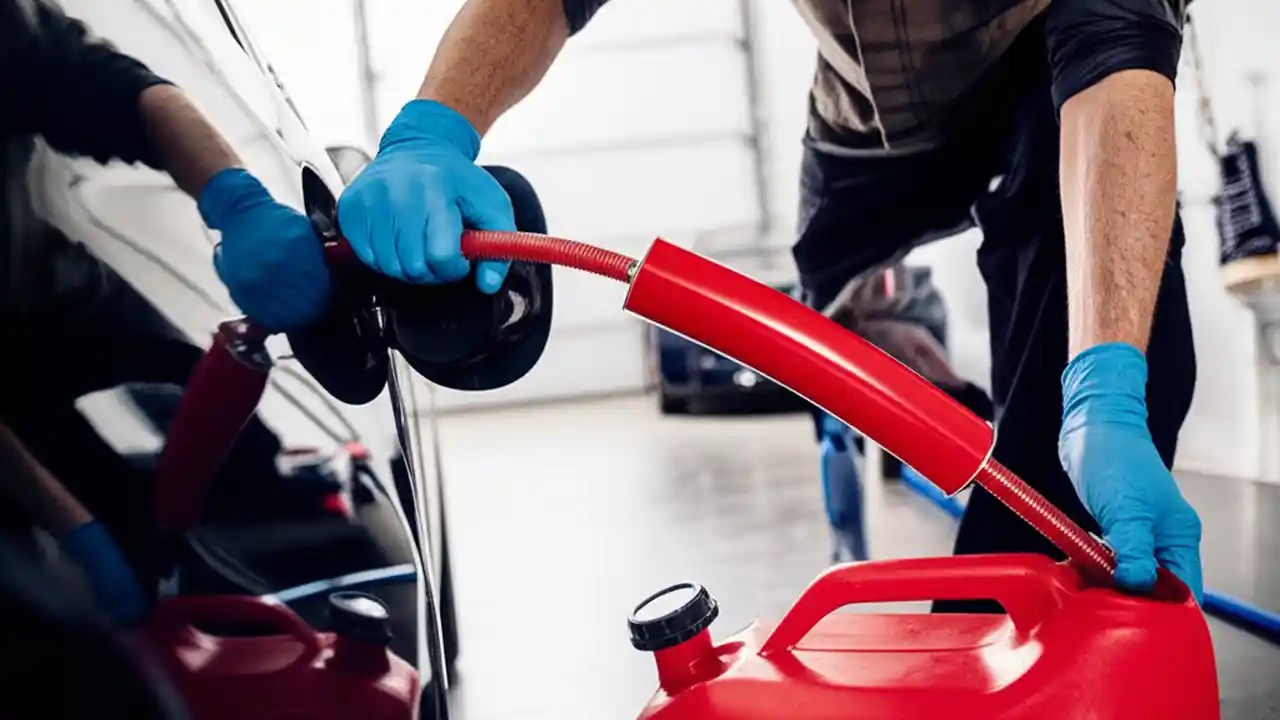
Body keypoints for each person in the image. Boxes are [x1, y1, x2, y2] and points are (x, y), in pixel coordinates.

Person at [331, 0, 1205, 605]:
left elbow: (1118, 59)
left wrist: (1107, 394)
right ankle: (923, 433)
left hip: (1048, 71)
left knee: (1110, 342)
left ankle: (1015, 622)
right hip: (866, 122)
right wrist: (436, 126)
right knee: (832, 326)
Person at [0, 0, 335, 622]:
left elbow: (123, 92)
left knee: (250, 479)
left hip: (53, 302)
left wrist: (236, 199)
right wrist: (79, 535)